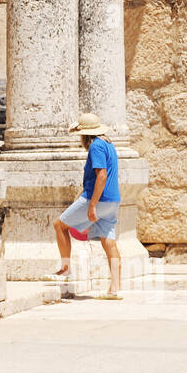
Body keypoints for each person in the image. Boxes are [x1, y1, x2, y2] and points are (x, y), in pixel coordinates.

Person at [50, 113, 123, 299]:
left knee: (60, 225)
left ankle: (65, 270)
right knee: (109, 240)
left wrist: (92, 206)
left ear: (84, 135)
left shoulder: (96, 146)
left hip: (97, 198)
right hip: (113, 200)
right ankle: (115, 287)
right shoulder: (108, 144)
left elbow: (102, 175)